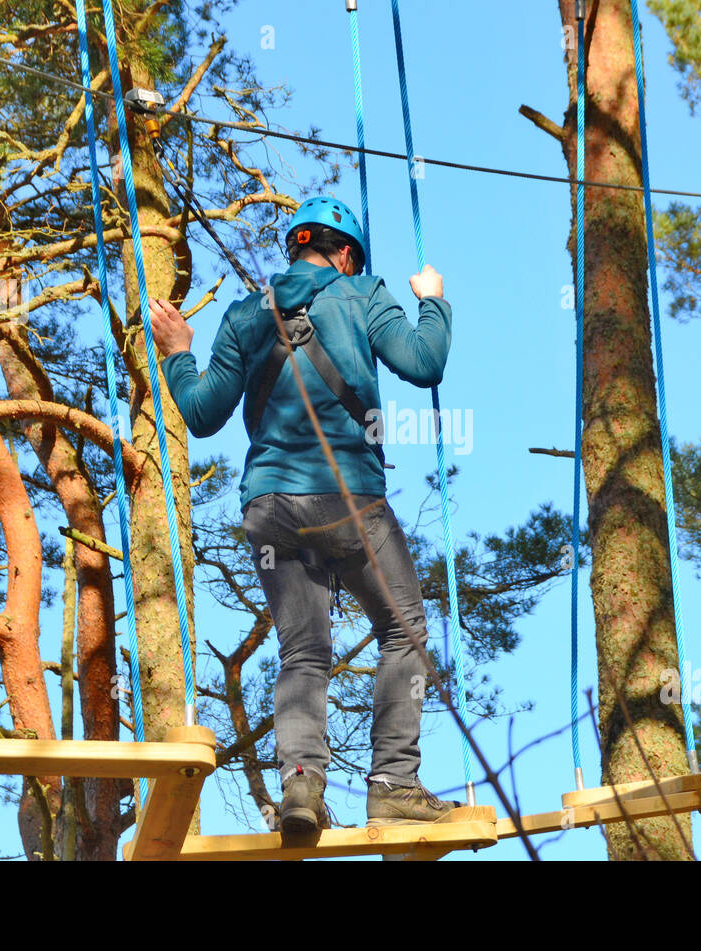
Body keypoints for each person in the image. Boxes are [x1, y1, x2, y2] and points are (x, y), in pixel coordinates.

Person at [148, 196, 458, 837]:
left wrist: (178, 352)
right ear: (344, 254)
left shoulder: (245, 314)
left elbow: (201, 415)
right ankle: (394, 783)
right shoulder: (361, 293)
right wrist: (432, 301)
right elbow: (424, 363)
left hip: (269, 508)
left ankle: (299, 785)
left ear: (297, 247)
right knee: (404, 633)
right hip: (348, 499)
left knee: (304, 651)